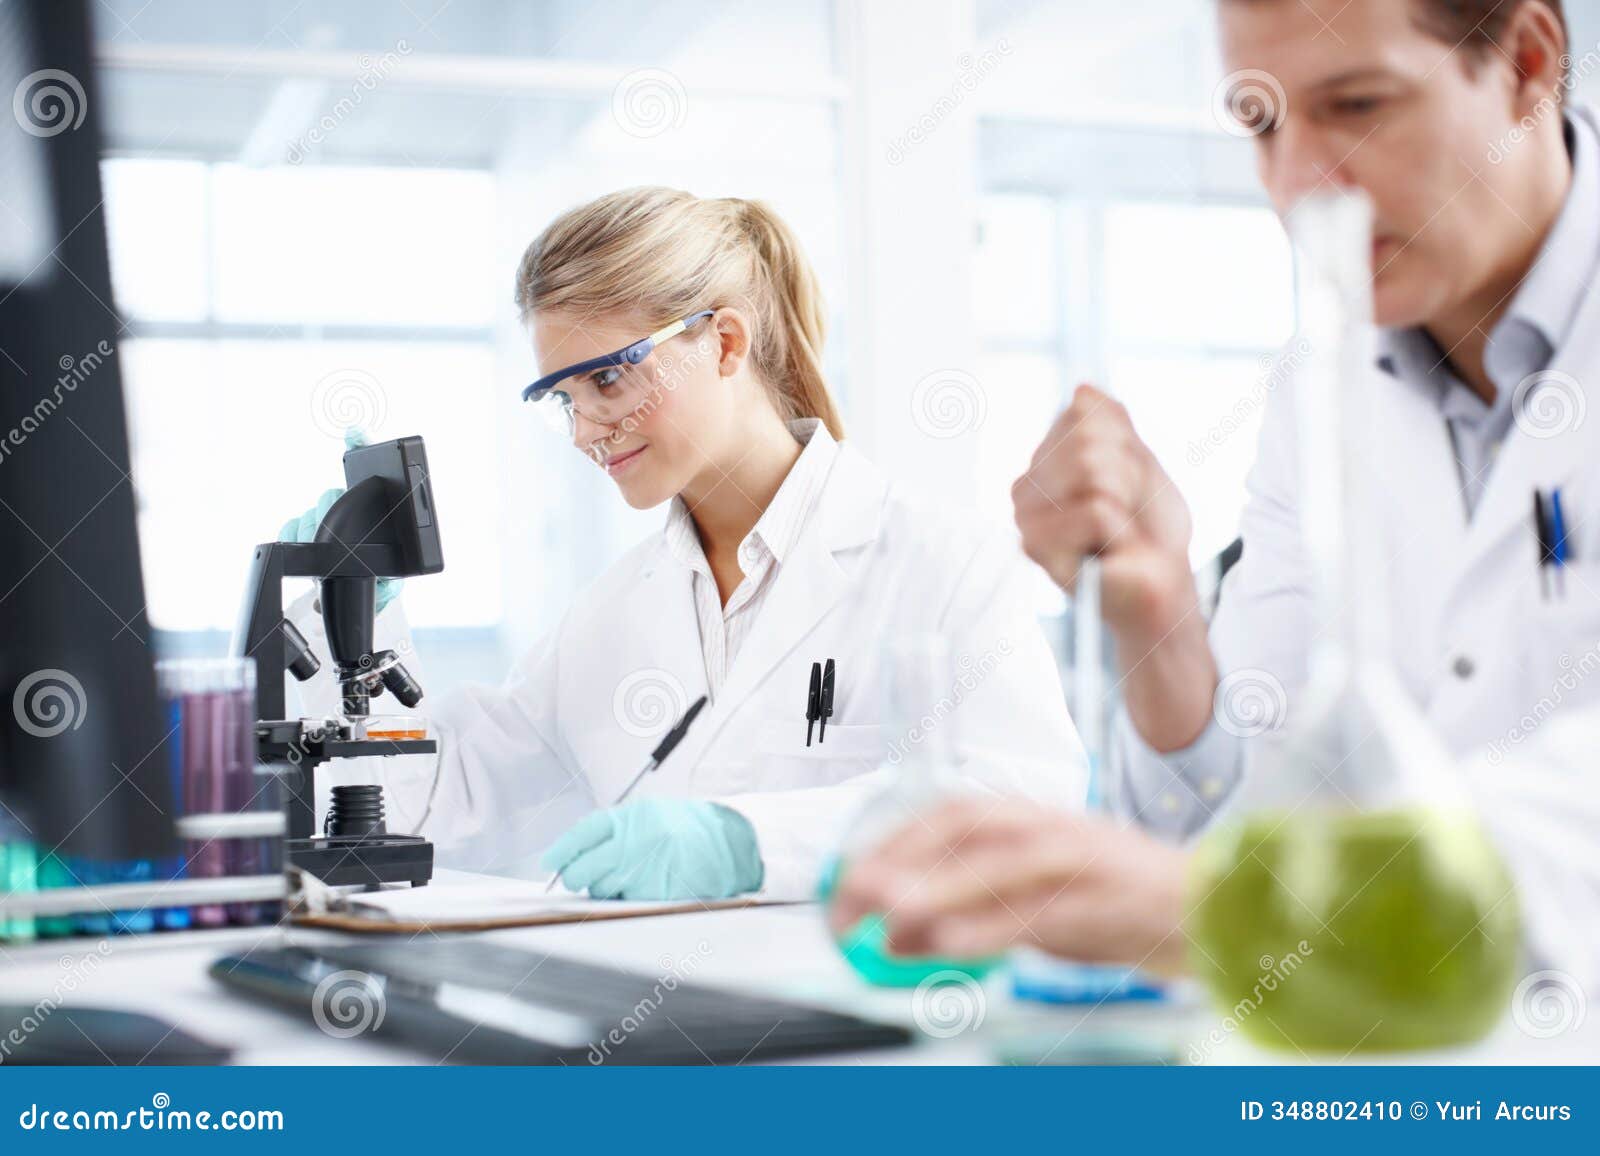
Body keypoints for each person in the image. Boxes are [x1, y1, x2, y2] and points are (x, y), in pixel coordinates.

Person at [833, 0, 1600, 989]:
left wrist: (1212, 907)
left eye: (1358, 105)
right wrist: (1160, 628)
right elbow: (1249, 815)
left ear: (1527, 63)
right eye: (1260, 123)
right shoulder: (1319, 380)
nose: (1297, 187)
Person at [282, 187, 1086, 901]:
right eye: (562, 400)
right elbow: (432, 810)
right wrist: (349, 613)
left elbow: (1024, 802)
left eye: (607, 379)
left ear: (726, 344)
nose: (585, 431)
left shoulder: (943, 562)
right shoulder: (611, 614)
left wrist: (750, 845)